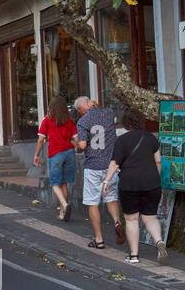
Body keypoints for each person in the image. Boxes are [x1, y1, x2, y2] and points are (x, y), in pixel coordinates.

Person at [100, 116, 168, 266]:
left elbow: (115, 163)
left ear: (126, 124)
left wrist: (106, 180)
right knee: (150, 217)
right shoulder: (150, 137)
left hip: (129, 183)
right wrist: (155, 177)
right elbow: (158, 161)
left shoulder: (122, 140)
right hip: (151, 182)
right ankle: (159, 241)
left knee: (131, 219)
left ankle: (134, 255)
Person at [74, 95, 125, 249]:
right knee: (111, 197)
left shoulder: (83, 121)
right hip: (111, 165)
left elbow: (82, 145)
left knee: (92, 202)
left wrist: (75, 145)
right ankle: (117, 221)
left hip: (93, 166)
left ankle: (99, 239)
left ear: (81, 109)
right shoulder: (108, 113)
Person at [33, 95, 77, 222]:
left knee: (54, 183)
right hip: (69, 153)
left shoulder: (47, 120)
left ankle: (64, 204)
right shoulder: (69, 120)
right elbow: (75, 139)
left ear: (51, 107)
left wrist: (36, 155)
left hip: (56, 153)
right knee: (64, 183)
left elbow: (41, 140)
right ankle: (63, 213)